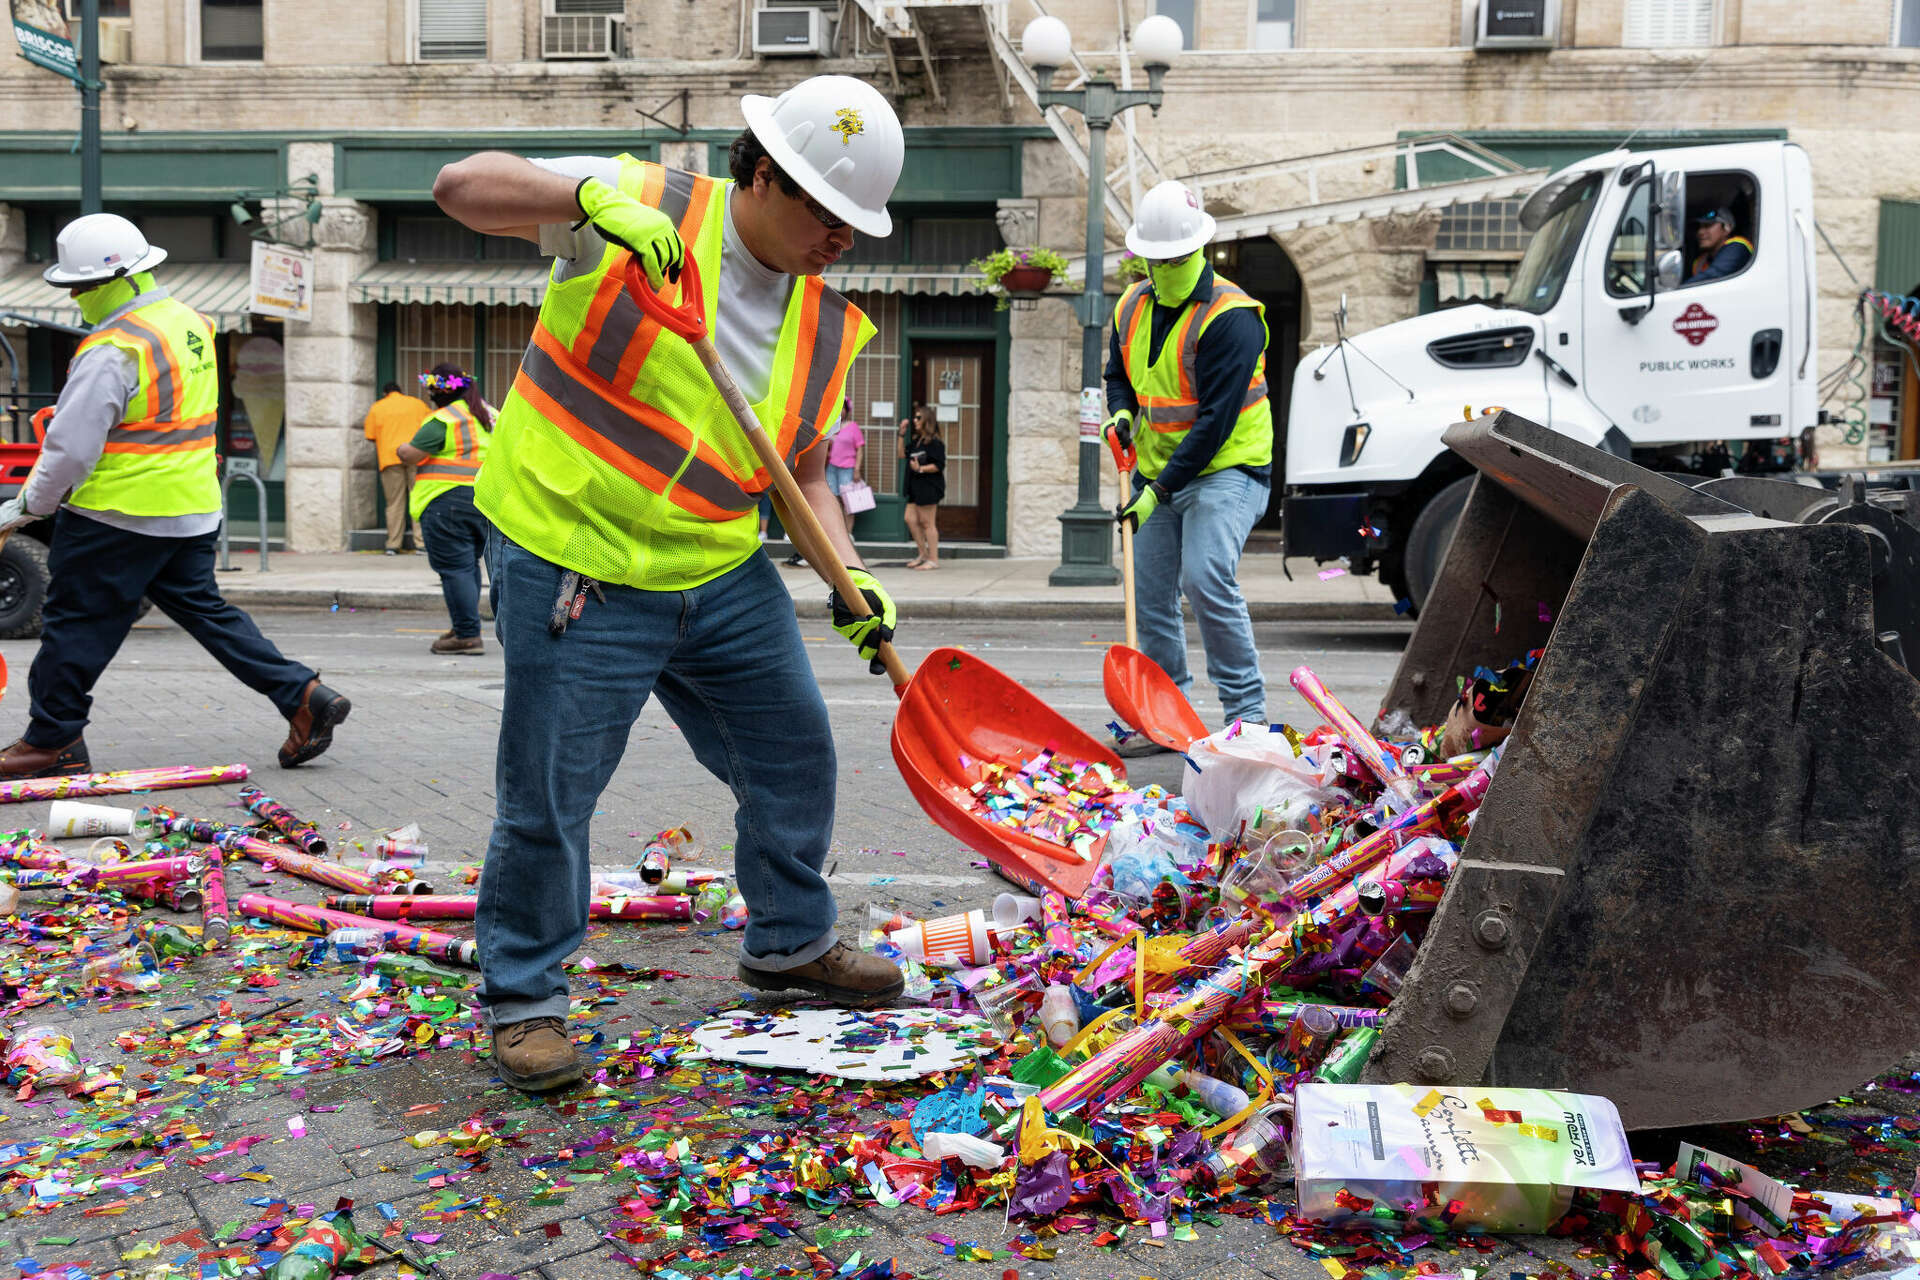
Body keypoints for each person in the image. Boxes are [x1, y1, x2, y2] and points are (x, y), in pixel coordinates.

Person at [433, 73, 908, 1092]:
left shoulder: (822, 319)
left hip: (717, 564)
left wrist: (853, 573)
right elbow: (461, 185)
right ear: (765, 176)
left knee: (795, 753)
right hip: (576, 557)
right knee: (550, 797)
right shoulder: (639, 205)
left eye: (857, 224)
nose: (843, 239)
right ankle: (524, 999)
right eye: (828, 214)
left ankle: (788, 940)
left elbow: (810, 469)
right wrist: (581, 202)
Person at [0, 214, 349, 778]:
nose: (75, 297)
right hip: (190, 509)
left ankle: (52, 740)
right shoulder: (190, 323)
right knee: (207, 612)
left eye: (78, 286)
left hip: (118, 514)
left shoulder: (111, 349)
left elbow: (69, 450)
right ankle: (302, 694)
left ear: (108, 281)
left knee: (74, 623)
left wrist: (30, 505)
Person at [1102, 180, 1272, 756]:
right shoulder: (1130, 306)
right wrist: (1122, 414)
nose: (1166, 266)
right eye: (1156, 258)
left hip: (1229, 470)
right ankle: (1162, 714)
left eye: (1174, 257)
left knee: (1204, 578)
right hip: (1155, 471)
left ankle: (1246, 719)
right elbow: (1118, 376)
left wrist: (1158, 490)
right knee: (1149, 594)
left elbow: (1216, 422)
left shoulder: (1233, 317)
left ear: (1198, 249)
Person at [396, 363, 493, 655]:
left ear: (440, 391)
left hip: (447, 503)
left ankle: (467, 635)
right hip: (486, 503)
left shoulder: (444, 419)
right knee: (468, 567)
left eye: (431, 391)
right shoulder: (492, 415)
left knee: (455, 570)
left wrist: (401, 449)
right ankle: (465, 625)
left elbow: (412, 454)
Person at [363, 379, 431, 554]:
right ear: (400, 391)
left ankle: (393, 544)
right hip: (417, 458)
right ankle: (421, 543)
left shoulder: (378, 407)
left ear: (385, 393)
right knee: (418, 499)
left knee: (394, 503)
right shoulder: (417, 404)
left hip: (390, 459)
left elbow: (370, 435)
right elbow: (430, 427)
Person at [900, 405, 945, 570]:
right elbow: (901, 454)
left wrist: (920, 469)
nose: (915, 420)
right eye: (915, 417)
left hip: (929, 486)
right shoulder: (917, 441)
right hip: (914, 486)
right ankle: (923, 554)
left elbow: (939, 465)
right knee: (910, 519)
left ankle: (933, 559)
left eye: (918, 418)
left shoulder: (935, 443)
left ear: (927, 420)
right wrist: (901, 434)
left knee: (927, 523)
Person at [823, 397, 864, 540]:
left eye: (842, 407)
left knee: (848, 501)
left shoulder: (853, 426)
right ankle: (837, 533)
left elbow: (859, 449)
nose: (840, 410)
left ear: (847, 410)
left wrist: (857, 469)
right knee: (833, 500)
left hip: (847, 468)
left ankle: (848, 534)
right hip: (831, 468)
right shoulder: (830, 427)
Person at [1688, 208, 1754, 283]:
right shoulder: (1699, 262)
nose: (1700, 232)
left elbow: (1712, 275)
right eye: (1698, 227)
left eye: (1707, 225)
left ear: (1727, 228)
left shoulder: (1738, 246)